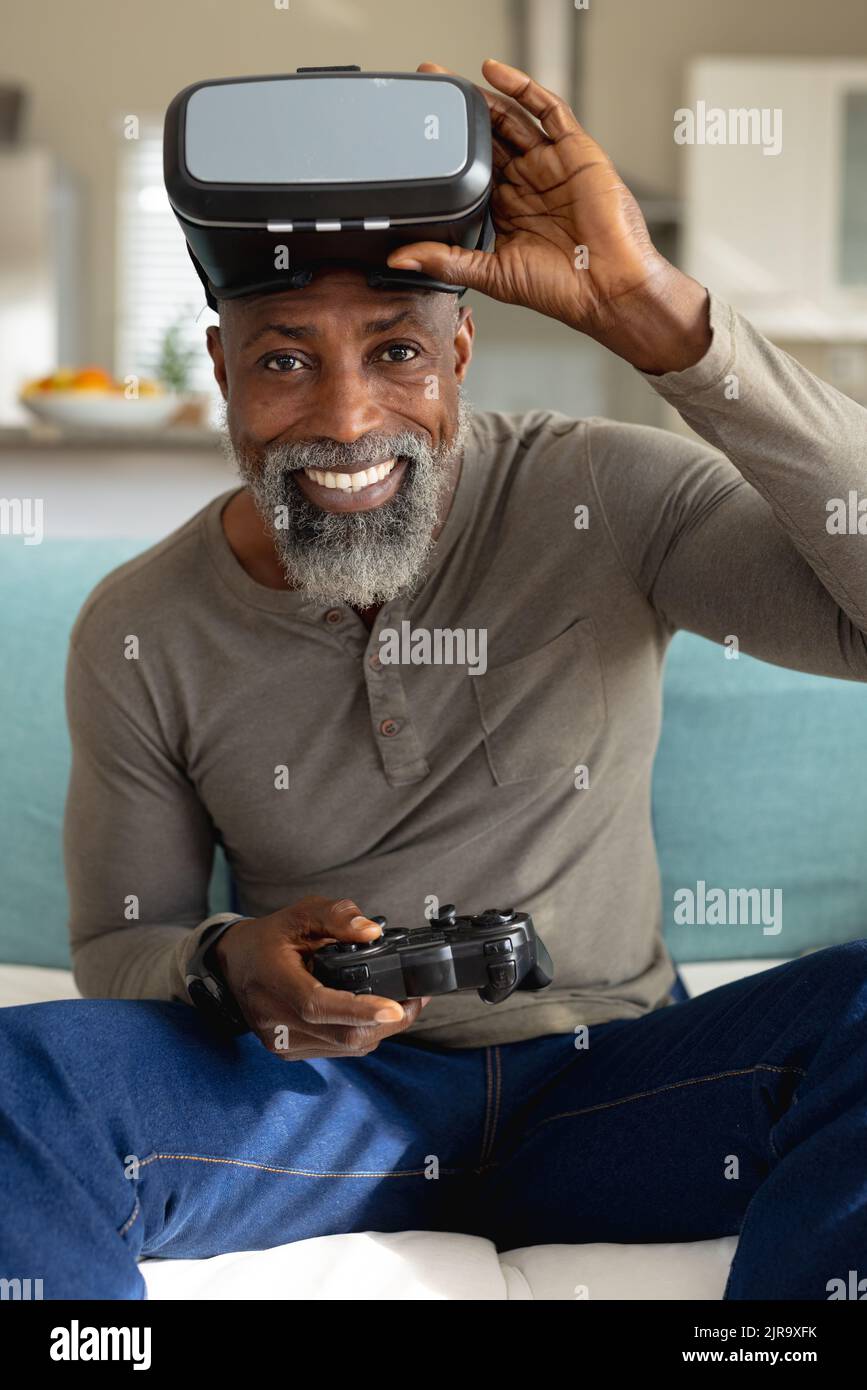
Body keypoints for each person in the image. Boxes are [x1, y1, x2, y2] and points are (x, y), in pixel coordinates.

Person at [2, 59, 866, 1300]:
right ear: (222, 370)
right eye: (285, 362)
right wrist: (231, 959)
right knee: (12, 1089)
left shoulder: (604, 496)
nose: (347, 421)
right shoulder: (138, 623)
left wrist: (665, 319)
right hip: (321, 1105)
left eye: (396, 350)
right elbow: (118, 940)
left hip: (619, 1079)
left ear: (462, 349)